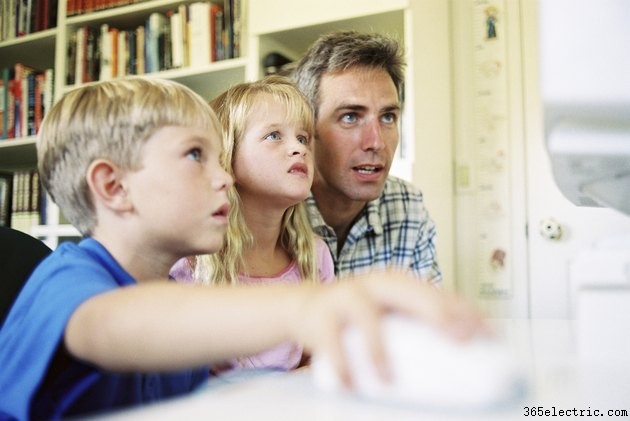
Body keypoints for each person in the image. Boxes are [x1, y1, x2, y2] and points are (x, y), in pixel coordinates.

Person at [0, 78, 483, 419]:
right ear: (113, 186)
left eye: (220, 157)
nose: (226, 177)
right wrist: (310, 305)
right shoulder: (71, 283)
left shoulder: (176, 310)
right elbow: (115, 323)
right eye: (195, 155)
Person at [173, 75, 335, 371]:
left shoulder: (316, 256)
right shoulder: (191, 262)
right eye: (274, 135)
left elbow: (319, 362)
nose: (299, 148)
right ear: (227, 158)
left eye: (302, 138)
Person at [292, 30, 441, 284]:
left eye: (387, 117)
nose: (376, 142)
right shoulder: (270, 210)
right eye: (350, 117)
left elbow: (426, 321)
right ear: (306, 129)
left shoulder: (408, 207)